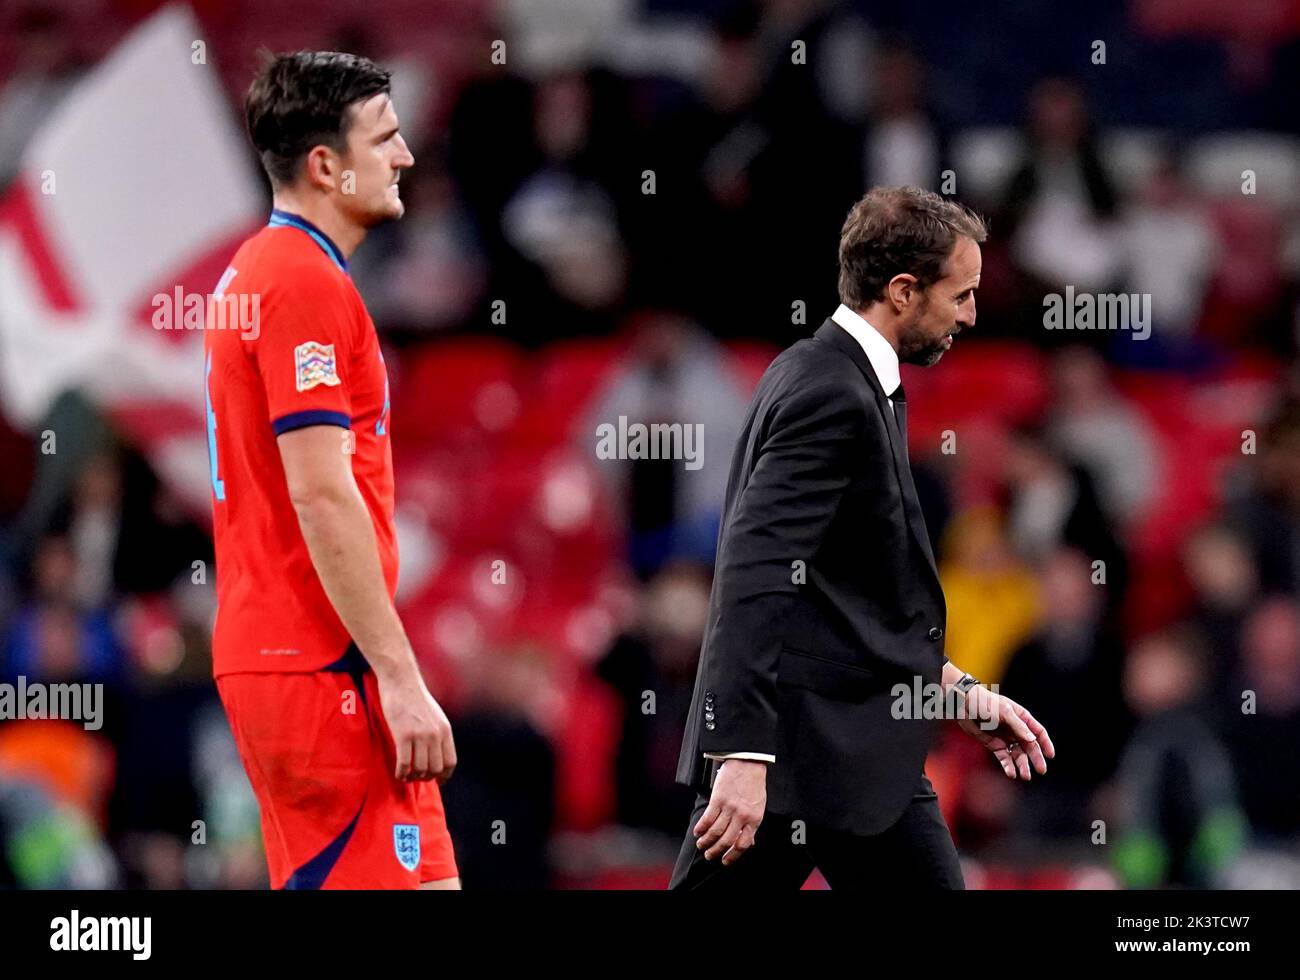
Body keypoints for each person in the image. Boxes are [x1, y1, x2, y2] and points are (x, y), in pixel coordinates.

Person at [671, 186, 1055, 890]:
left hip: (849, 761)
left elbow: (844, 598)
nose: (972, 314)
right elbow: (753, 572)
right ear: (904, 291)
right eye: (960, 294)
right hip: (790, 762)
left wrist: (956, 691)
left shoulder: (827, 374)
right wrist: (743, 756)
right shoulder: (832, 393)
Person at [204, 51, 458, 889]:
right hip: (319, 664)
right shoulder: (297, 282)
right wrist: (397, 672)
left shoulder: (268, 272)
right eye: (384, 137)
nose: (406, 155)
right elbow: (318, 490)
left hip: (310, 654)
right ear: (325, 164)